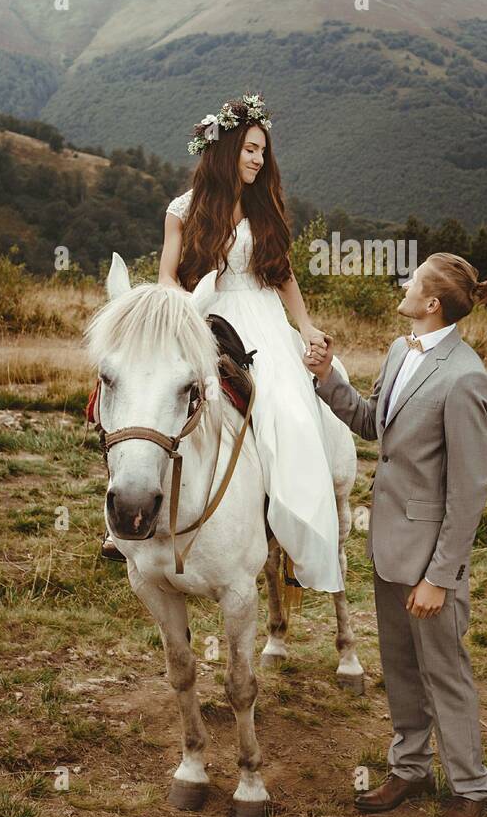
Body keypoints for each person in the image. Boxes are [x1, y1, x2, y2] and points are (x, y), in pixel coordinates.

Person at [100, 92, 343, 594]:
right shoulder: (183, 210)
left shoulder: (264, 206)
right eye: (250, 149)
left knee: (288, 411)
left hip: (262, 319)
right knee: (143, 397)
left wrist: (306, 326)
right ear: (226, 147)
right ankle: (122, 523)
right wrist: (182, 311)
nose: (258, 159)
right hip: (202, 315)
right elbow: (168, 275)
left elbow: (283, 276)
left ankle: (284, 526)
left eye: (262, 151)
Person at [307, 253, 487, 817]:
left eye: (411, 281)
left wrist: (440, 576)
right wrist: (326, 377)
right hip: (387, 545)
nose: (403, 286)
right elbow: (371, 424)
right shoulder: (397, 350)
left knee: (446, 673)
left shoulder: (466, 378)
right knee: (399, 668)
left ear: (433, 302)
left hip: (430, 561)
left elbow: (468, 492)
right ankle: (409, 768)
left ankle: (469, 789)